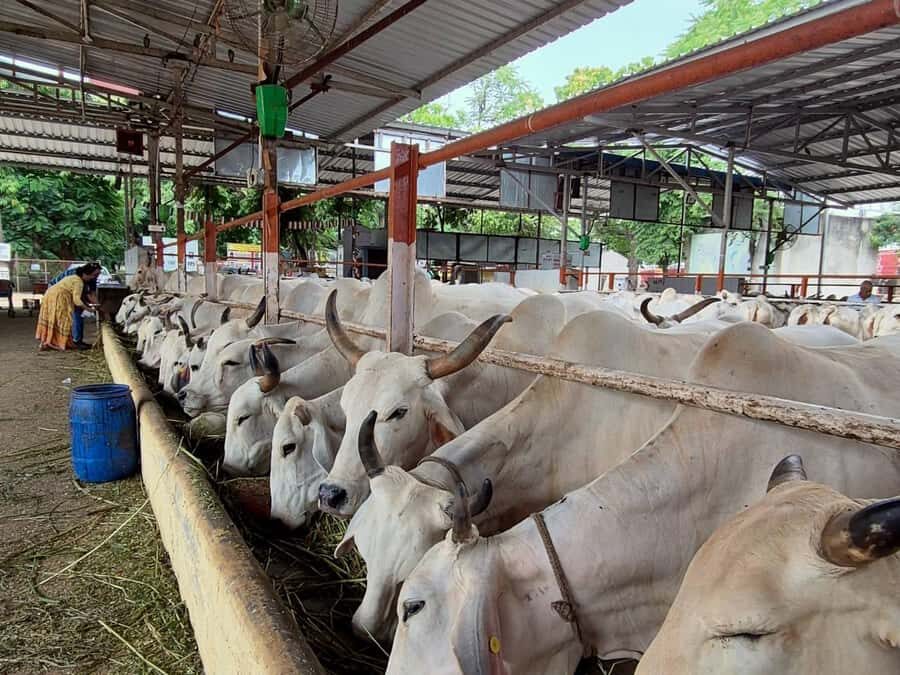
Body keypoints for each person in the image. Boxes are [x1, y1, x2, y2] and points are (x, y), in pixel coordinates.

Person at [36, 263, 101, 351]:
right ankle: (72, 342)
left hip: (53, 294)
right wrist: (89, 309)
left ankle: (50, 342)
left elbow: (90, 294)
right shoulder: (78, 280)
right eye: (95, 274)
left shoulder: (86, 278)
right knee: (65, 318)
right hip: (58, 295)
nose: (96, 277)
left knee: (57, 318)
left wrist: (98, 307)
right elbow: (77, 300)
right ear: (87, 273)